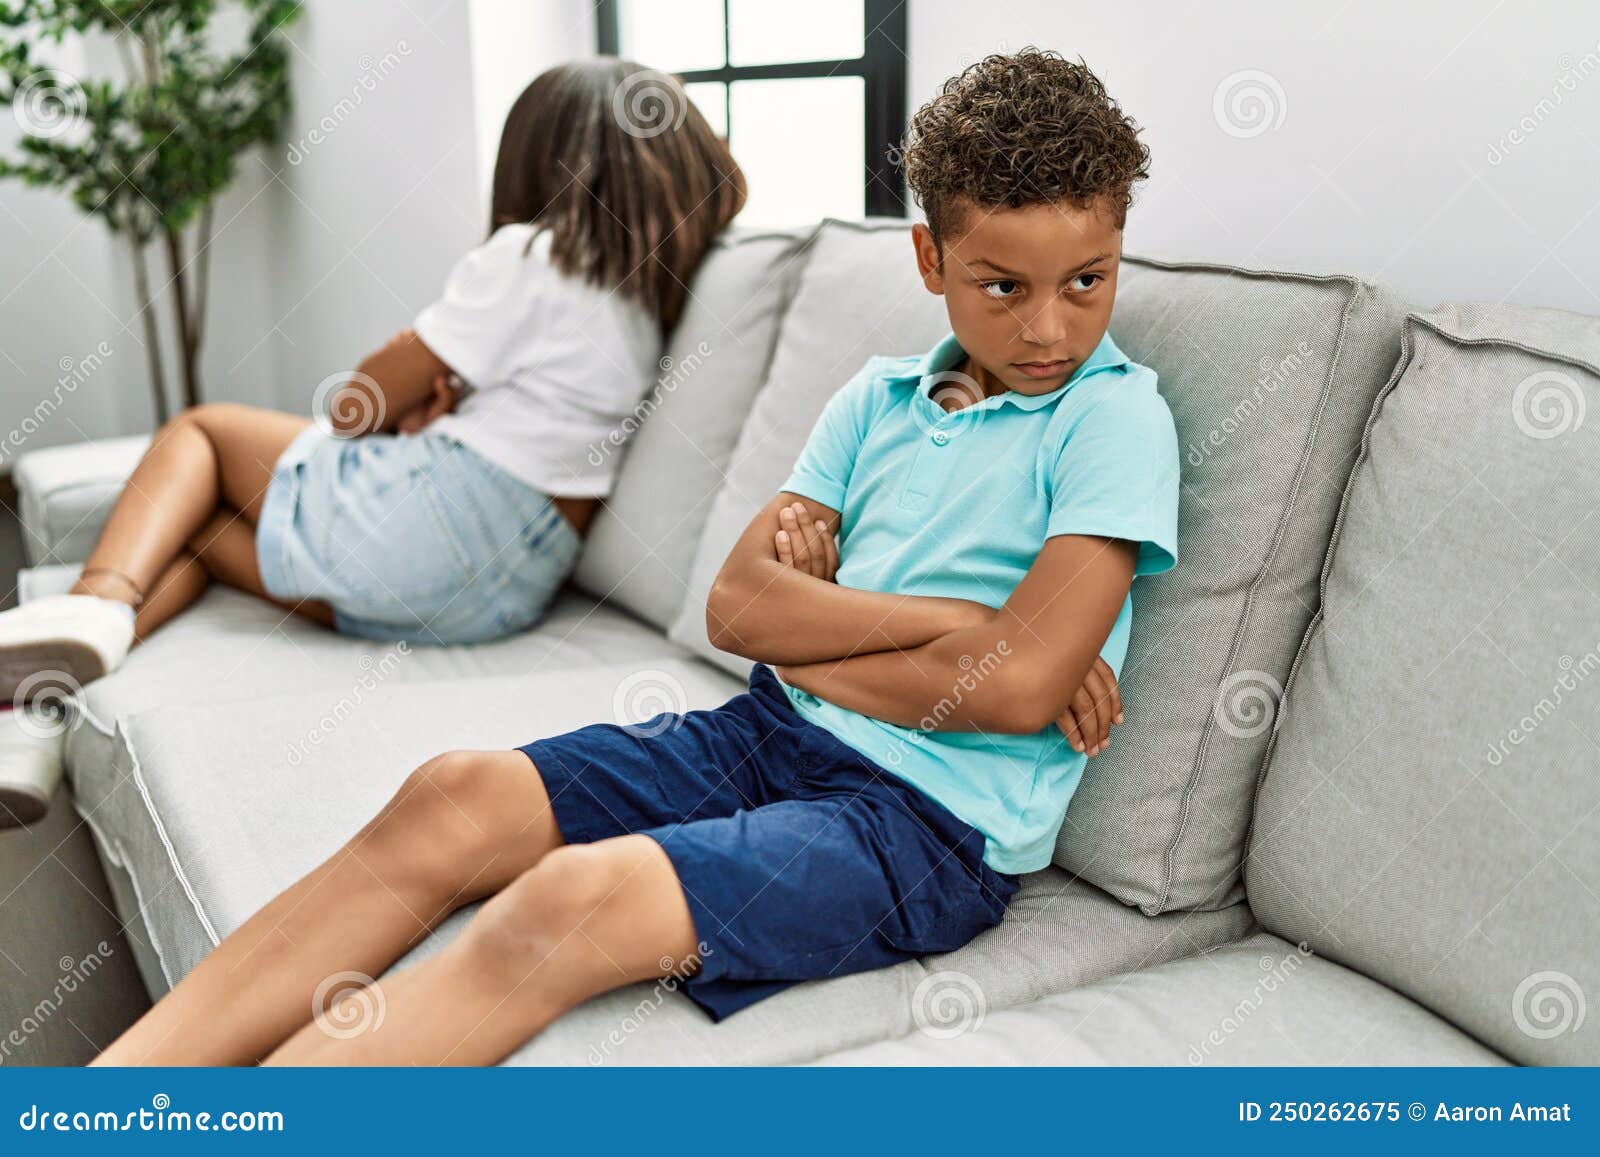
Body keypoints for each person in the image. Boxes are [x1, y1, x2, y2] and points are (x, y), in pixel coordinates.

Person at [94, 48, 1177, 1066]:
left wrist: (878, 649)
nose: (1049, 329)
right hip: (767, 730)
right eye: (1003, 286)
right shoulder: (876, 397)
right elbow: (740, 611)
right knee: (451, 793)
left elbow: (1024, 682)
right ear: (930, 257)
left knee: (563, 904)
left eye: (1088, 280)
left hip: (921, 826)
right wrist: (956, 629)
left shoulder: (1113, 420)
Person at [0, 59, 745, 699]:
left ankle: (92, 602)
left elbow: (360, 406)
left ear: (540, 165)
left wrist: (410, 374)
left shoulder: (534, 254)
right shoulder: (650, 301)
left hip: (434, 528)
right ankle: (48, 694)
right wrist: (453, 405)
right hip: (501, 595)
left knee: (201, 431)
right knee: (192, 530)